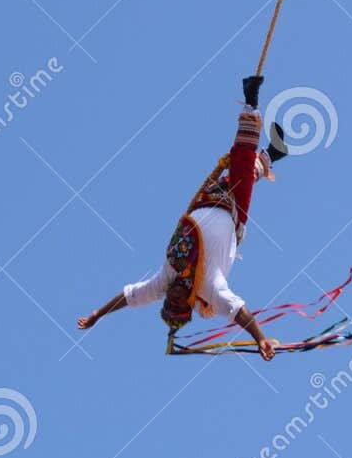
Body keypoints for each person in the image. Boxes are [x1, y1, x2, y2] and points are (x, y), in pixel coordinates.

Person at [76, 75, 288, 359]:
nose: (172, 296)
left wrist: (97, 314)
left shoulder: (163, 281)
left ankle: (273, 154)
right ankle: (251, 102)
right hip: (234, 210)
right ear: (189, 304)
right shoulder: (209, 289)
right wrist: (260, 338)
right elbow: (238, 311)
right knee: (241, 158)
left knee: (243, 169)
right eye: (178, 303)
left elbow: (129, 297)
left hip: (209, 198)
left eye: (168, 303)